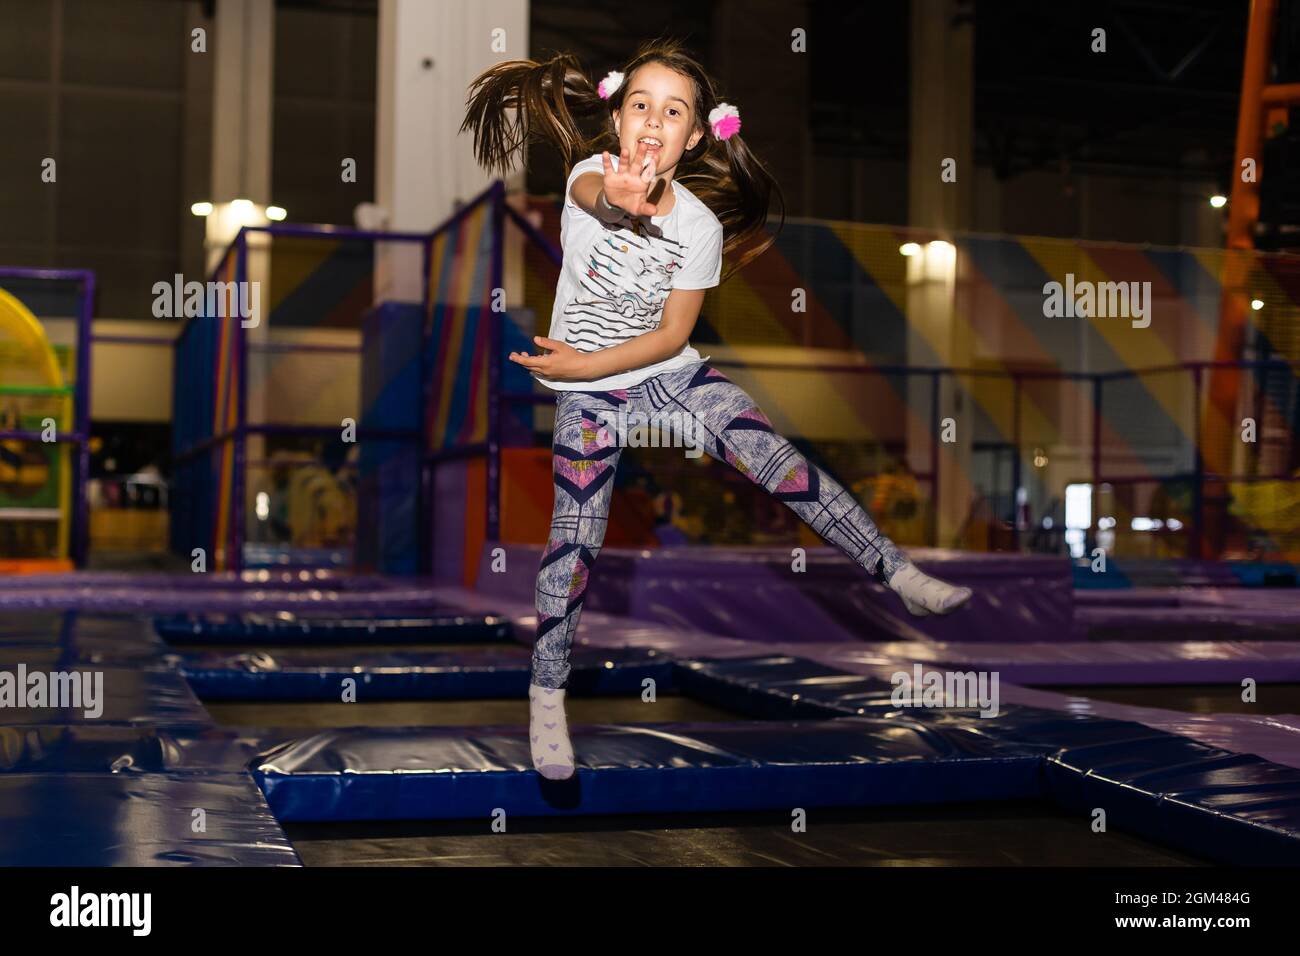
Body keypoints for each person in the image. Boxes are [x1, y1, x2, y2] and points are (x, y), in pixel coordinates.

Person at [462, 39, 972, 780]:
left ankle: (898, 575)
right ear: (617, 118)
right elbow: (598, 199)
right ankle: (546, 698)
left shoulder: (698, 226)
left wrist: (582, 364)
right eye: (640, 105)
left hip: (664, 372)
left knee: (782, 463)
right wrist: (621, 205)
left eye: (673, 111)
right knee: (575, 541)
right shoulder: (586, 176)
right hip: (591, 393)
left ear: (695, 135)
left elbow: (671, 335)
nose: (653, 121)